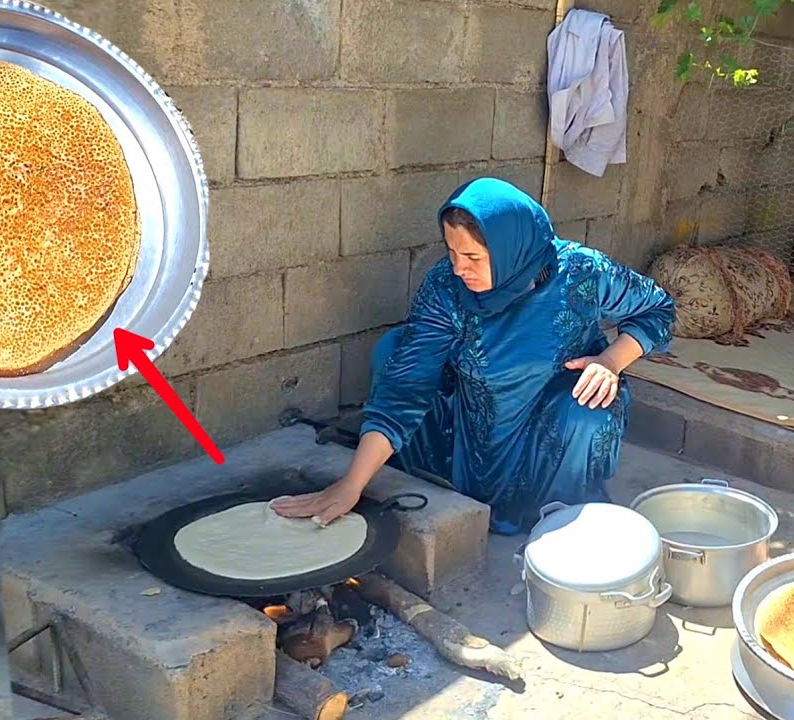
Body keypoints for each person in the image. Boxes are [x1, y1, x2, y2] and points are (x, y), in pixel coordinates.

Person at [272, 177, 676, 534]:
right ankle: (434, 479)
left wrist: (610, 361)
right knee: (393, 349)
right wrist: (352, 484)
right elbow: (406, 386)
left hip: (548, 421)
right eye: (452, 253)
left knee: (588, 409)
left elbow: (659, 308)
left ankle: (558, 517)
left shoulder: (581, 273)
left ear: (509, 251)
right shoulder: (447, 288)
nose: (458, 268)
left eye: (473, 258)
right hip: (471, 421)